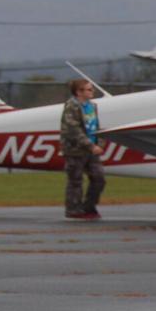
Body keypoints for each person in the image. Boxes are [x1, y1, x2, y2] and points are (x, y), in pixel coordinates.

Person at [59, 78, 106, 219]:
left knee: (99, 178)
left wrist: (100, 143)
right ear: (79, 92)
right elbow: (73, 130)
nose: (92, 92)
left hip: (91, 149)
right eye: (89, 89)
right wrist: (90, 145)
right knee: (76, 180)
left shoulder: (92, 106)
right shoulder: (71, 107)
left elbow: (96, 126)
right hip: (75, 150)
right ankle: (73, 209)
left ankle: (89, 207)